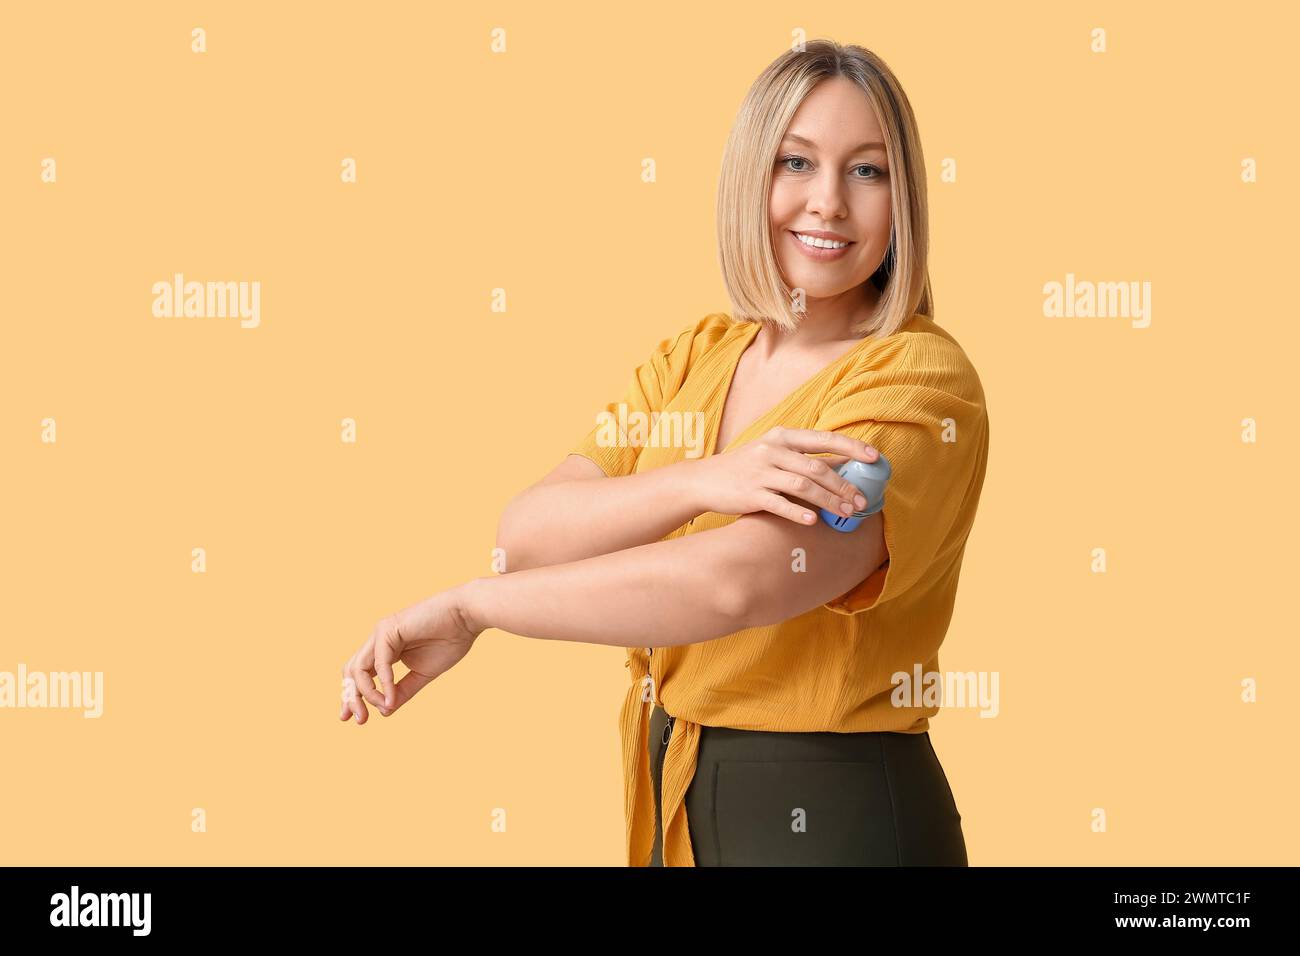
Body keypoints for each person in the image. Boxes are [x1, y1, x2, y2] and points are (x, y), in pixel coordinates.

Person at [338, 39, 989, 867]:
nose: (828, 201)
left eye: (868, 171)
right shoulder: (692, 356)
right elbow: (528, 536)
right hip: (671, 794)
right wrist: (707, 478)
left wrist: (476, 609)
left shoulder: (917, 379)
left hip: (834, 813)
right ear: (750, 175)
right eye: (796, 162)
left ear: (904, 201)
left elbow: (737, 582)